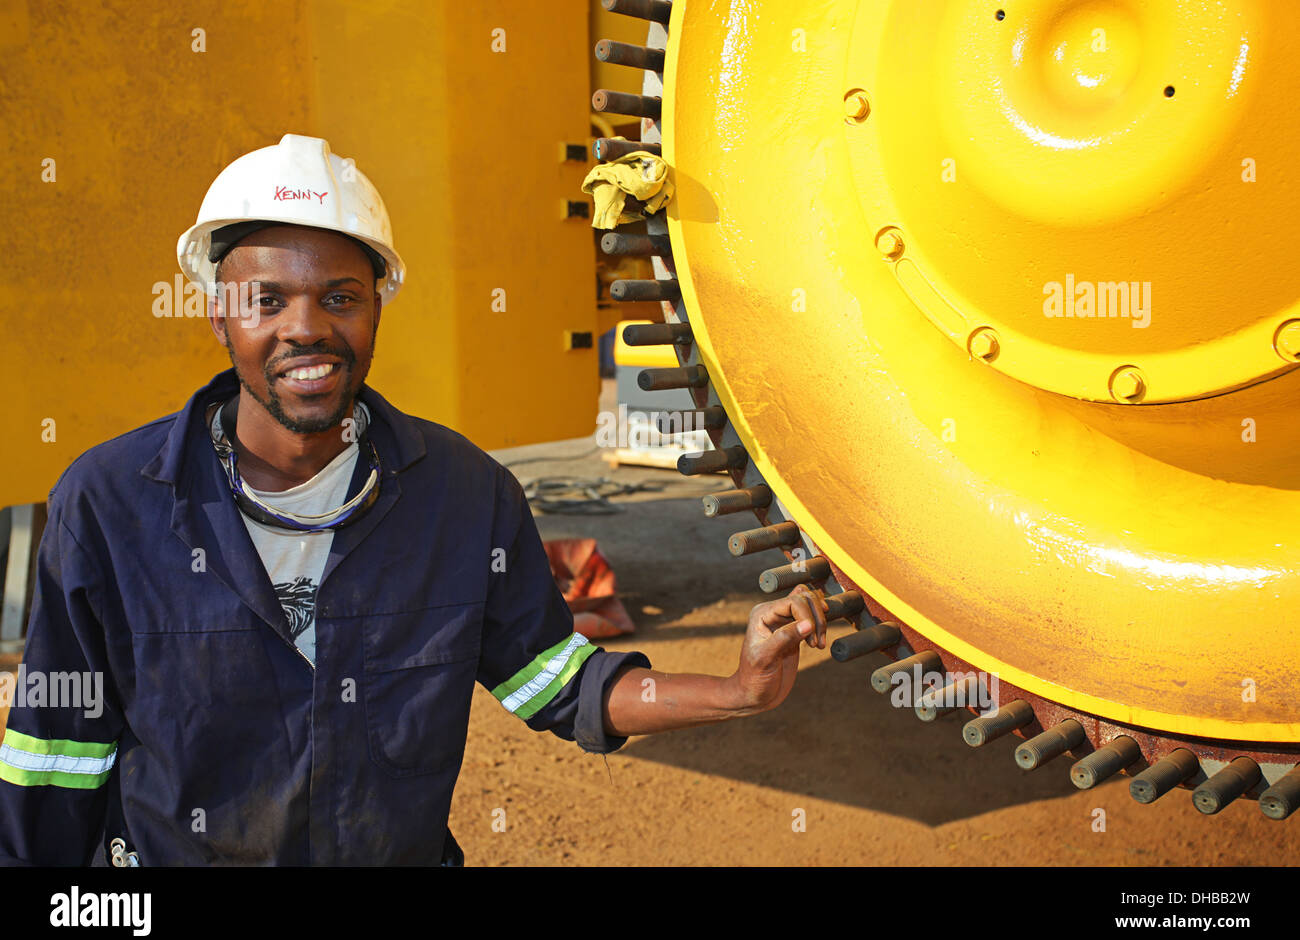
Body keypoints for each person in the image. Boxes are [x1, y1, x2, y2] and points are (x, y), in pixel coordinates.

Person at [0, 135, 828, 866]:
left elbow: (560, 683)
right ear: (219, 315)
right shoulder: (111, 503)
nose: (306, 328)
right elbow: (56, 753)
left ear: (375, 309)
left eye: (340, 297)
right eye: (267, 300)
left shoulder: (463, 497)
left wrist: (738, 689)